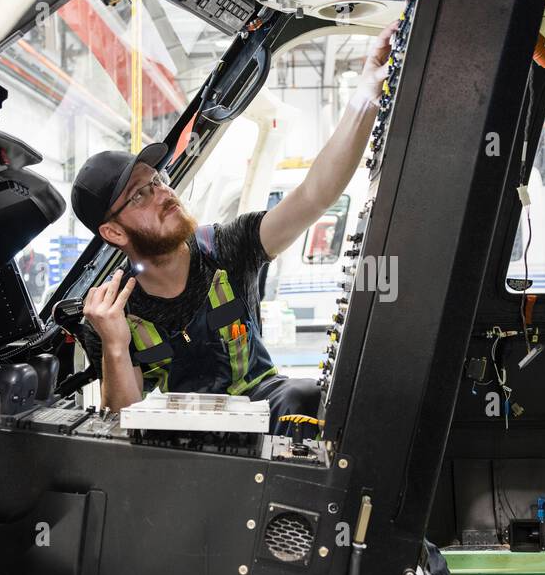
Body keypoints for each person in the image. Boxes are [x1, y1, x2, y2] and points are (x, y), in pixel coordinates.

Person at [70, 25, 394, 428]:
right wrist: (115, 344)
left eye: (157, 181)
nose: (162, 194)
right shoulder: (112, 312)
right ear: (114, 233)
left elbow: (313, 196)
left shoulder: (228, 247)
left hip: (266, 412)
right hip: (189, 439)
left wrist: (365, 97)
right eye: (139, 195)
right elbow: (126, 420)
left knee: (303, 395)